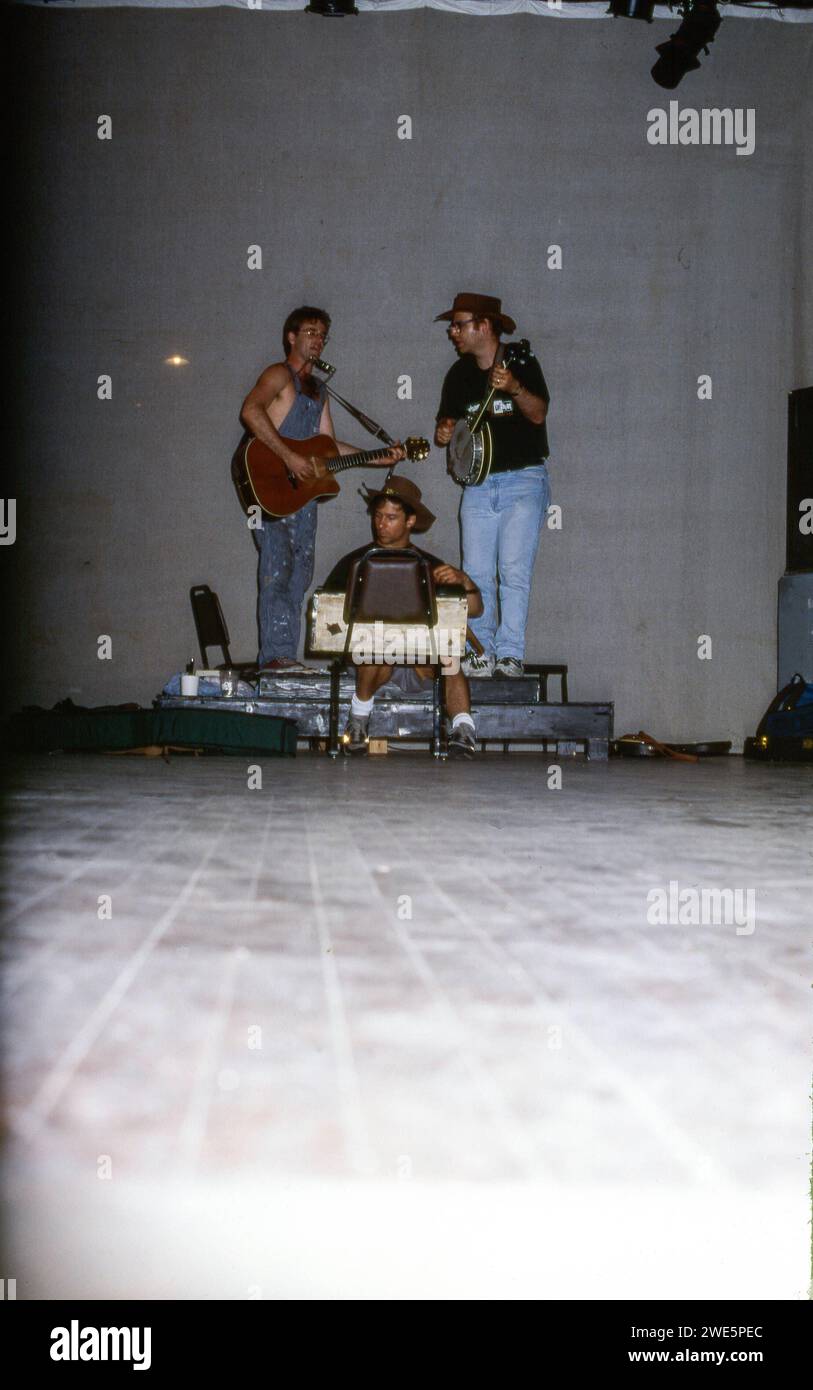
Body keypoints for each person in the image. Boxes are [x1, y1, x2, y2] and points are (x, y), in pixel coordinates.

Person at [239, 306, 403, 672]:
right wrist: (287, 457)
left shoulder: (319, 390)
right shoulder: (279, 375)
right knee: (277, 569)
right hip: (273, 486)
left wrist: (376, 457)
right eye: (311, 332)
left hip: (303, 494)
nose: (318, 340)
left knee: (301, 572)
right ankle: (275, 658)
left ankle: (285, 655)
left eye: (322, 335)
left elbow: (328, 446)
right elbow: (251, 411)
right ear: (291, 337)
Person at [321, 476, 483, 758]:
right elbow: (329, 613)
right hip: (371, 658)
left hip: (418, 660)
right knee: (374, 647)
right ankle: (358, 722)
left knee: (449, 657)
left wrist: (463, 579)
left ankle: (463, 731)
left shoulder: (430, 565)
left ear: (410, 521)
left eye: (391, 517)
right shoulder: (354, 564)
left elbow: (476, 608)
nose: (381, 524)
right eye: (379, 516)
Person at [434, 292, 551, 678]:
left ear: (483, 326)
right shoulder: (458, 375)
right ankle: (479, 650)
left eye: (459, 324)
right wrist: (445, 431)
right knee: (477, 572)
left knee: (514, 571)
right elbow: (447, 432)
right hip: (478, 486)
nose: (453, 332)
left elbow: (538, 415)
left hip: (523, 480)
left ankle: (511, 652)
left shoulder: (520, 359)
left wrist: (515, 388)